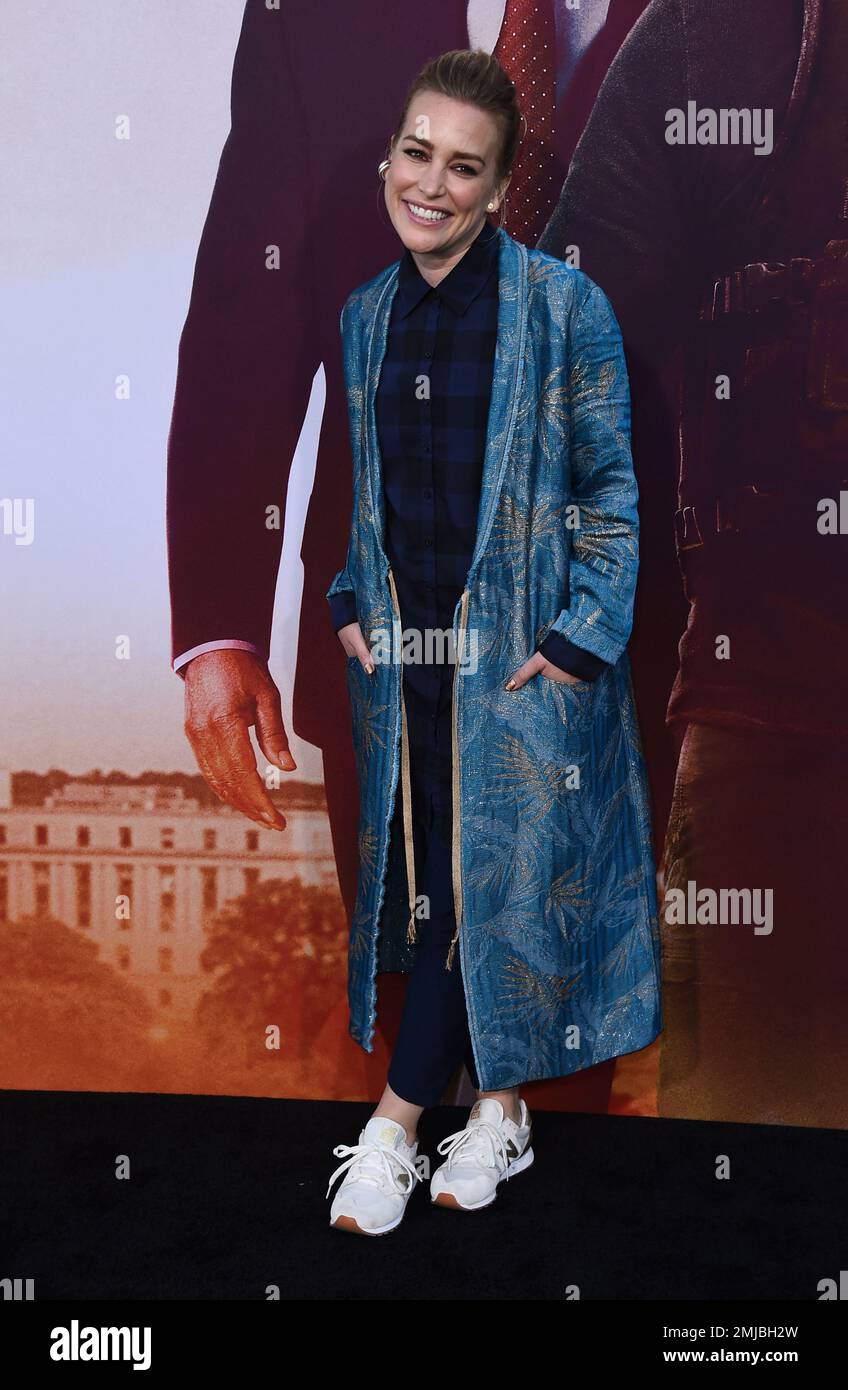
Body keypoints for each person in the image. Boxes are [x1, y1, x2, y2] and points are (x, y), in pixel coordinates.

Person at [323, 49, 663, 1236]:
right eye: (416, 151)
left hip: (517, 665)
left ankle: (393, 1127)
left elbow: (611, 493)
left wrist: (577, 640)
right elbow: (360, 498)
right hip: (406, 668)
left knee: (491, 887)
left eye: (462, 166)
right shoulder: (365, 316)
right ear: (390, 154)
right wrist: (347, 604)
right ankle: (502, 1109)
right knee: (438, 892)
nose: (430, 181)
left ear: (500, 185)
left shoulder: (565, 308)